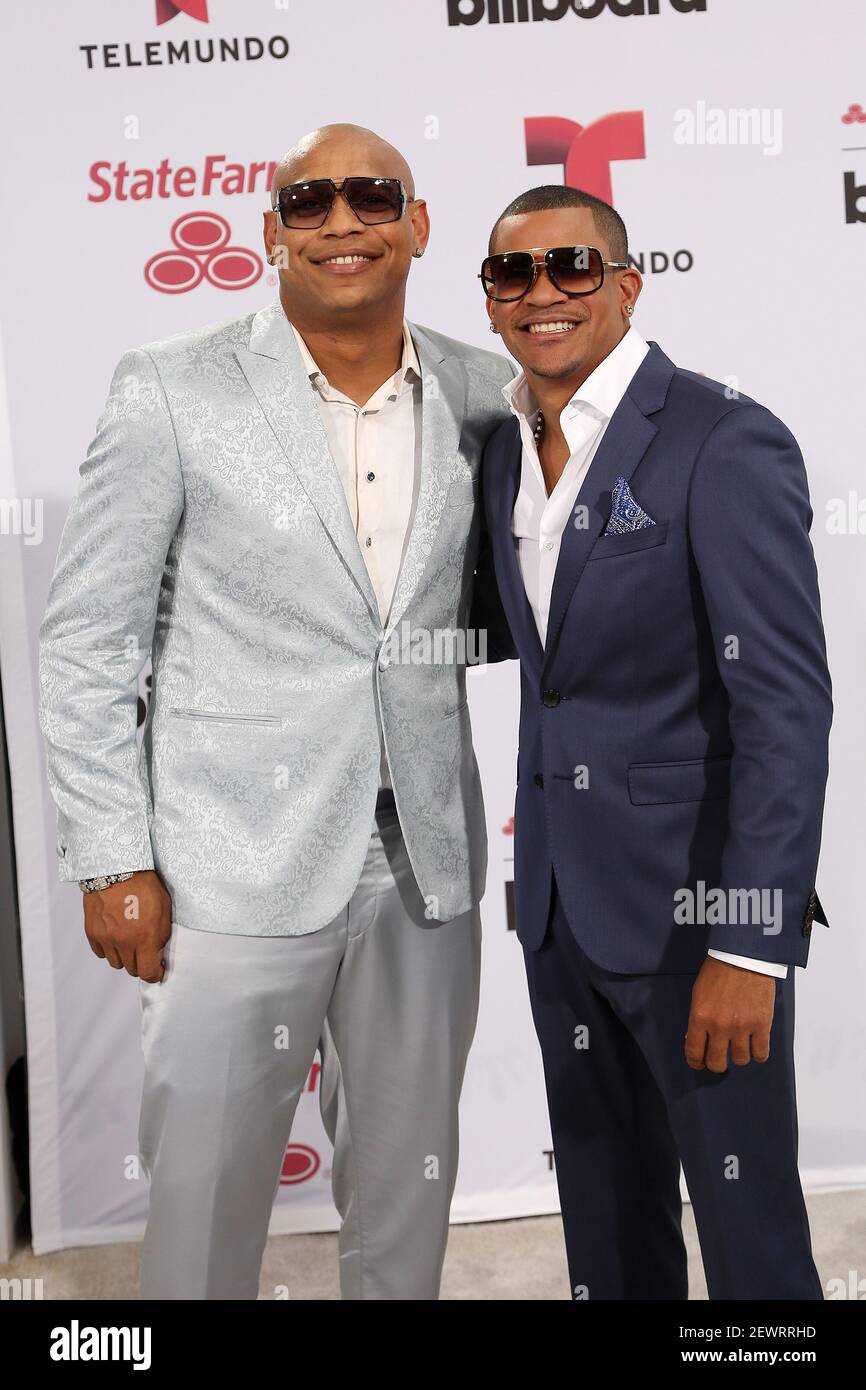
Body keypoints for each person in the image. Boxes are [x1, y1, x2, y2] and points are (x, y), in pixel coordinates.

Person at [38, 123, 513, 1300]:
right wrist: (110, 856)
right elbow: (88, 635)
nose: (340, 219)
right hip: (226, 864)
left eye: (369, 196)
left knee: (408, 1187)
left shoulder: (483, 391)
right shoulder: (171, 385)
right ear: (271, 232)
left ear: (416, 223)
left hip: (423, 860)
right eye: (309, 199)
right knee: (202, 1194)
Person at [474, 183, 832, 1299]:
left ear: (625, 284)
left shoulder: (722, 438)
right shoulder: (500, 450)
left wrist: (751, 943)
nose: (543, 293)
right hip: (558, 917)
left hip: (697, 930)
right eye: (512, 274)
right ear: (489, 301)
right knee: (608, 1238)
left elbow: (784, 704)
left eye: (571, 266)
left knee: (749, 1245)